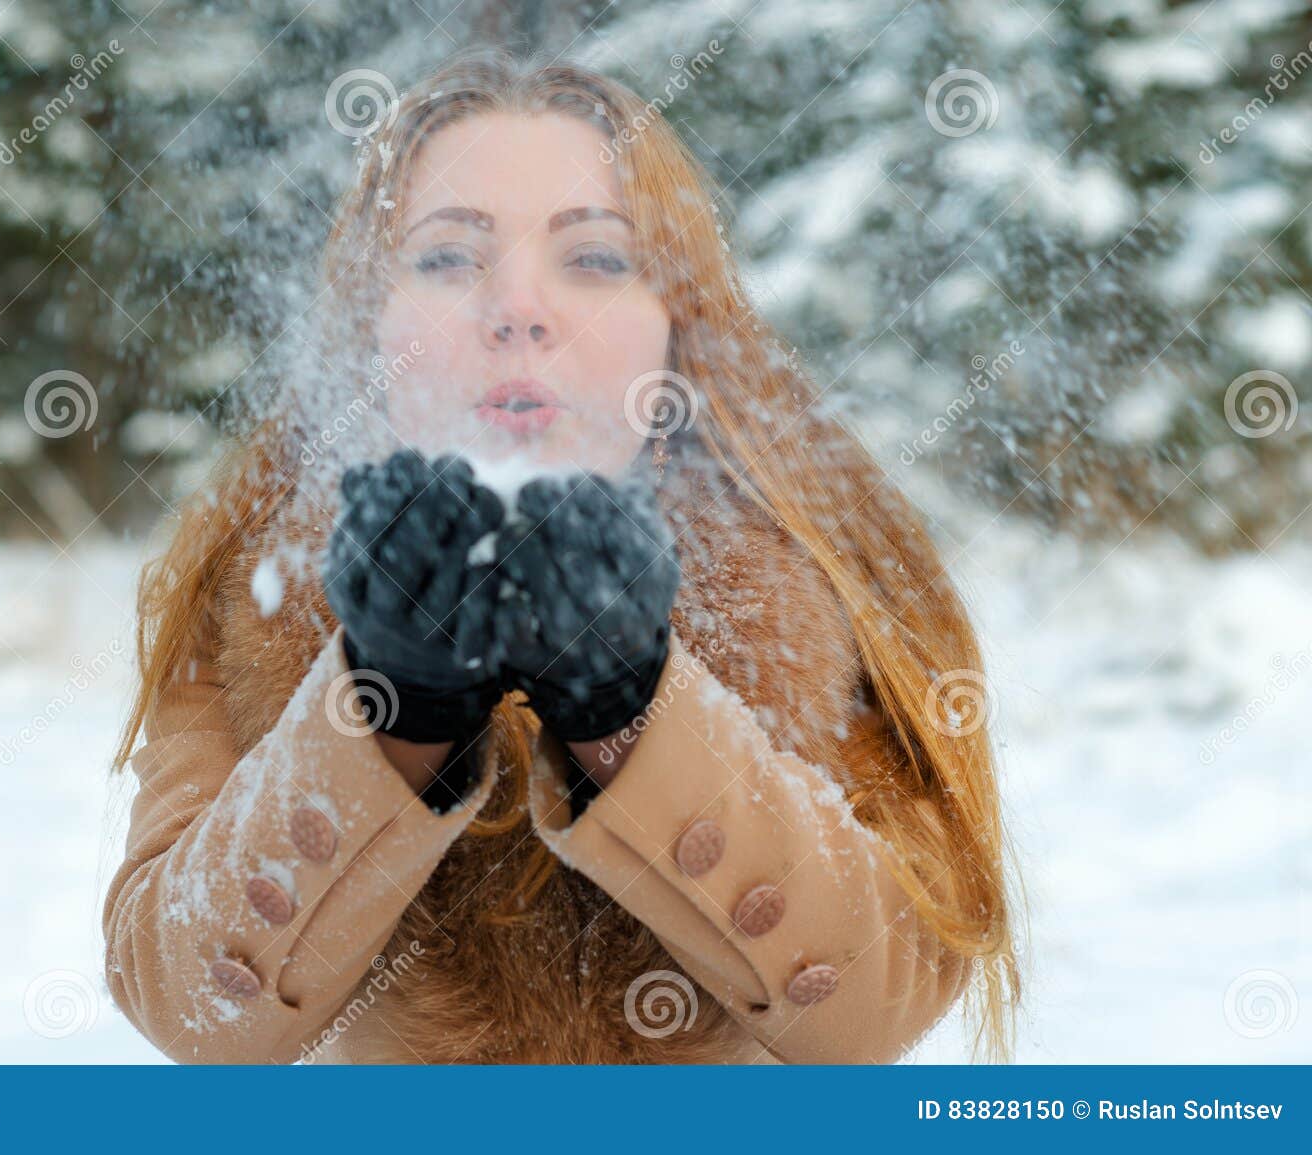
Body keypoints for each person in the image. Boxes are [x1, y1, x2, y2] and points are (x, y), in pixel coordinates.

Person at [103, 48, 1022, 1064]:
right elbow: (190, 1011)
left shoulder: (806, 567)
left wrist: (631, 710)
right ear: (370, 325)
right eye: (449, 259)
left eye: (592, 259)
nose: (518, 309)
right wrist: (391, 711)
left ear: (678, 321)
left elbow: (878, 1003)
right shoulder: (259, 579)